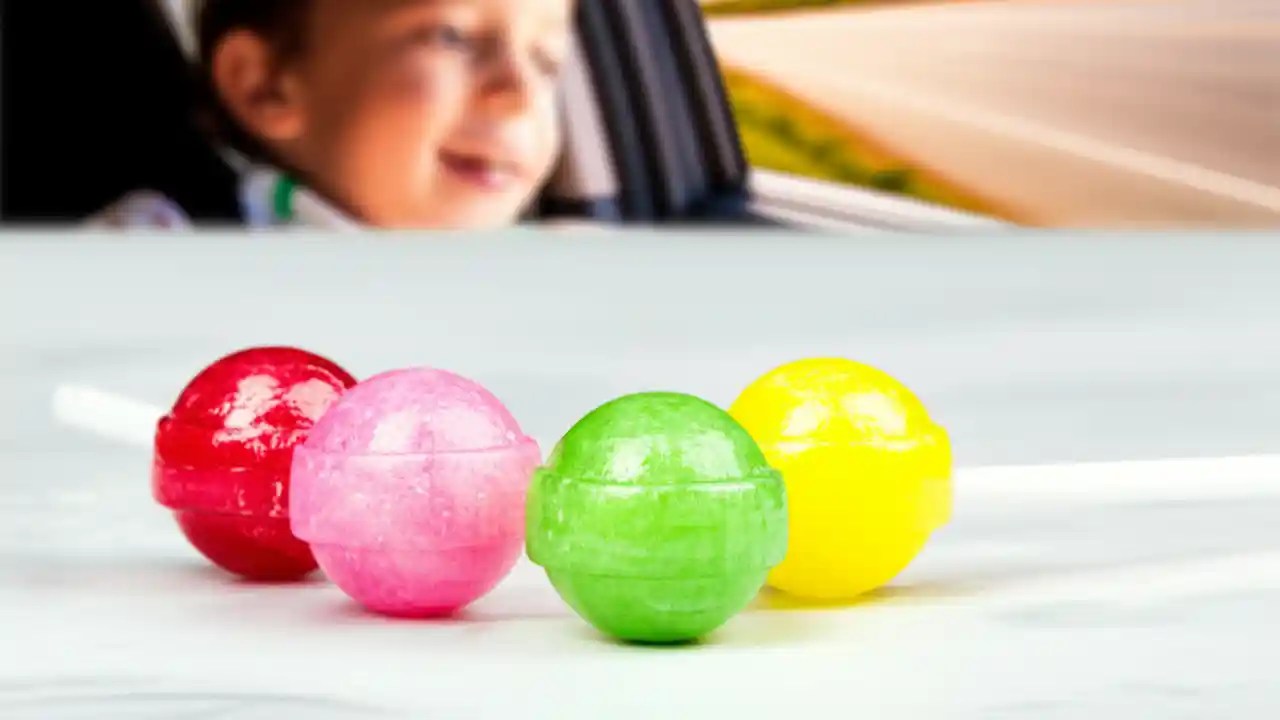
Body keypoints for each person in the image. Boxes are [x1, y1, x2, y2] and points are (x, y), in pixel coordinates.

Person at [90, 0, 573, 229]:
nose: (519, 93)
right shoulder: (157, 259)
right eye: (451, 37)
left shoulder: (554, 285)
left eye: (547, 60)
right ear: (267, 86)